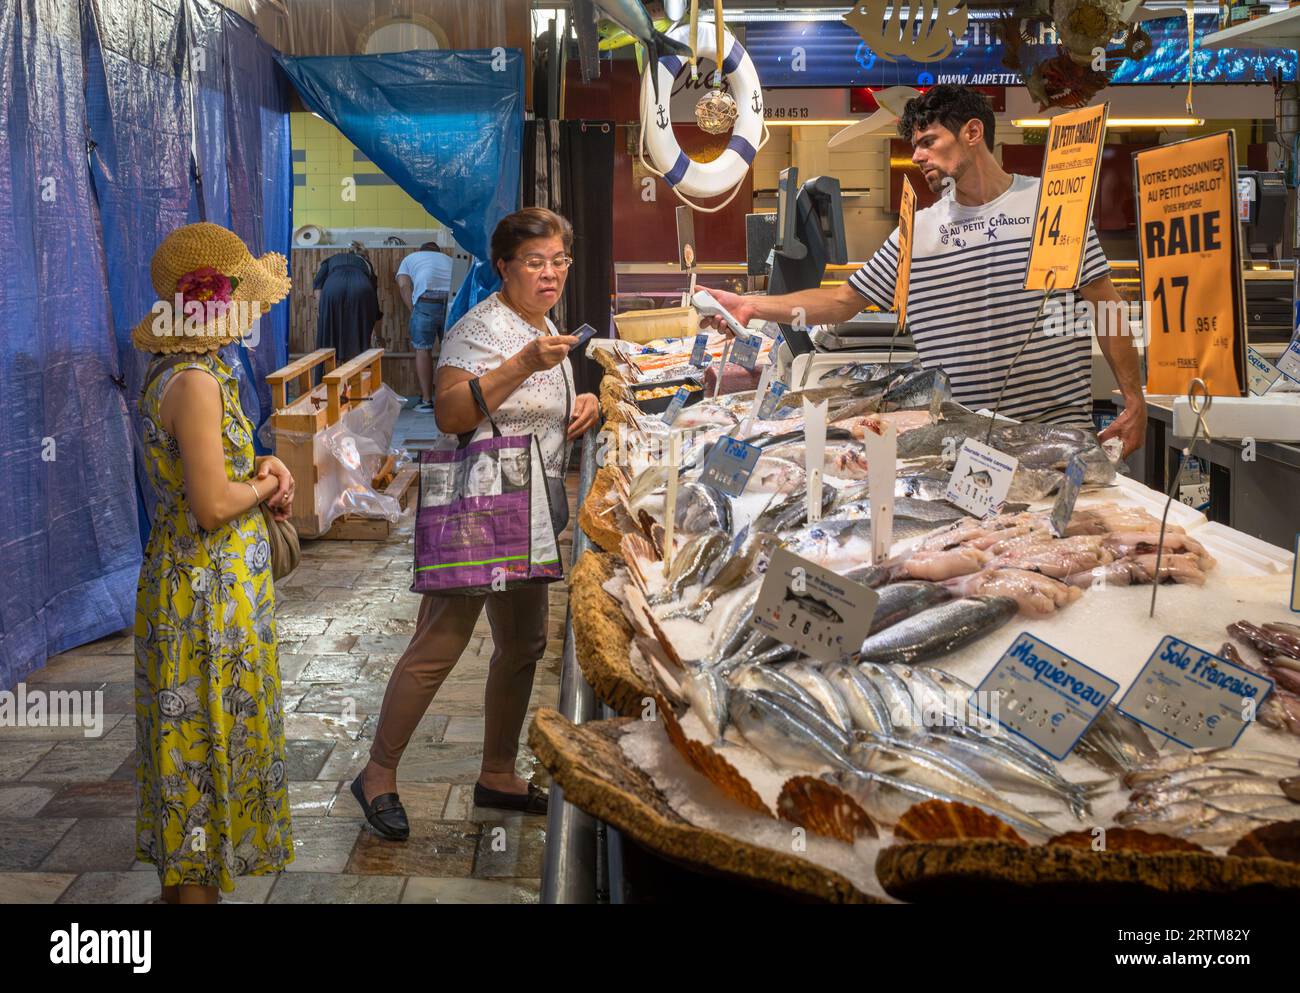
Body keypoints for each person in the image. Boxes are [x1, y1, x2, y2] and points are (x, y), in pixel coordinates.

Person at [706, 84, 1148, 457]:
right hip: (961, 444)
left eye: (928, 141)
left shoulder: (1052, 205)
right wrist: (751, 305)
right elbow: (843, 302)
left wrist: (1133, 397)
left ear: (973, 132)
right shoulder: (916, 231)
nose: (916, 156)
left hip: (1056, 438)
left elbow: (1105, 307)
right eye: (912, 145)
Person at [353, 207, 599, 835]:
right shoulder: (479, 329)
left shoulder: (543, 324)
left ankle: (496, 773)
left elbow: (536, 406)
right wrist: (522, 365)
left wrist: (583, 401)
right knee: (439, 643)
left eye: (559, 261)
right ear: (504, 268)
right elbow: (449, 414)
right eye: (535, 262)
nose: (551, 273)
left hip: (534, 510)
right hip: (482, 506)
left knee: (523, 646)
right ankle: (377, 773)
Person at [130, 222, 296, 904]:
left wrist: (259, 464)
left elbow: (213, 472)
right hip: (204, 605)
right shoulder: (194, 381)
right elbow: (211, 503)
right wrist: (263, 486)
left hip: (213, 595)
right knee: (199, 770)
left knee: (204, 767)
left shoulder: (195, 372)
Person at [397, 242, 454, 412]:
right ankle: (450, 399)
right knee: (451, 350)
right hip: (451, 302)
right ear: (438, 252)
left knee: (423, 349)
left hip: (426, 301)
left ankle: (427, 401)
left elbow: (403, 284)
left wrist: (413, 309)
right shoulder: (449, 259)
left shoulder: (410, 258)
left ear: (420, 251)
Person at [312, 242, 381, 363]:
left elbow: (318, 286)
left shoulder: (331, 260)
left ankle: (329, 374)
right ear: (365, 256)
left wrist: (321, 311)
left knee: (329, 338)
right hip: (361, 287)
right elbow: (374, 305)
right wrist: (377, 335)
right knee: (358, 334)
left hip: (333, 287)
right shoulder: (366, 264)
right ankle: (357, 372)